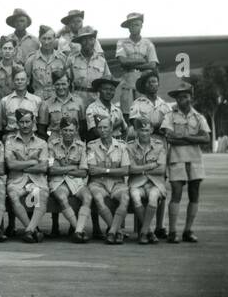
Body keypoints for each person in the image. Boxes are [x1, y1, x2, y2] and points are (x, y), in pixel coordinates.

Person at [161, 82, 209, 243]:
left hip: (195, 160)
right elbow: (170, 138)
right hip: (177, 159)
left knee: (194, 195)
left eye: (186, 96)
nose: (184, 99)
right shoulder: (170, 116)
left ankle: (188, 230)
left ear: (191, 97)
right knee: (176, 194)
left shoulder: (198, 117)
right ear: (176, 99)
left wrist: (185, 138)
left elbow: (206, 138)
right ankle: (173, 231)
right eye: (180, 97)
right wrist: (194, 139)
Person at [5, 109, 50, 243]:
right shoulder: (10, 141)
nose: (25, 125)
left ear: (33, 122)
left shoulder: (41, 143)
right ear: (17, 123)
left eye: (27, 122)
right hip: (17, 182)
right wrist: (32, 162)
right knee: (13, 196)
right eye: (21, 122)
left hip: (34, 183)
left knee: (41, 195)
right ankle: (34, 231)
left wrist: (21, 165)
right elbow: (10, 165)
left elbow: (43, 167)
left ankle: (29, 230)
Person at [86, 114, 131, 244]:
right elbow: (93, 171)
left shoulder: (122, 146)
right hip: (98, 183)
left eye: (105, 127)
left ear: (111, 128)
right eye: (100, 128)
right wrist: (113, 171)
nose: (103, 130)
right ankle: (118, 231)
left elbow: (125, 170)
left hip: (117, 184)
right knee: (99, 199)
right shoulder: (91, 146)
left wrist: (104, 170)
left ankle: (111, 232)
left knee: (125, 198)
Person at [46, 116, 91, 242]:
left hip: (77, 182)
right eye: (65, 130)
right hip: (58, 182)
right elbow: (51, 170)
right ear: (60, 131)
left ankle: (77, 231)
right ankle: (79, 230)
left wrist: (62, 168)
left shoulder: (81, 147)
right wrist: (72, 167)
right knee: (61, 197)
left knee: (88, 197)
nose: (68, 133)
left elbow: (83, 172)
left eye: (71, 130)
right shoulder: (52, 145)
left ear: (76, 130)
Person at [126, 113, 168, 244]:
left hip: (155, 183)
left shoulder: (159, 145)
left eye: (147, 130)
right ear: (136, 131)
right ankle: (149, 231)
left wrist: (141, 169)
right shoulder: (130, 146)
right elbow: (130, 169)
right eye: (141, 130)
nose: (144, 133)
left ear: (151, 130)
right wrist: (150, 166)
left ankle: (144, 232)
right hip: (136, 183)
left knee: (153, 197)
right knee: (135, 197)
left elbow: (161, 169)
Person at [68, 29, 110, 108]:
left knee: (97, 120)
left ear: (94, 41)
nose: (87, 42)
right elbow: (67, 81)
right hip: (77, 98)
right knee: (79, 120)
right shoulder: (72, 59)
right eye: (84, 39)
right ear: (80, 42)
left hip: (97, 99)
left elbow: (107, 79)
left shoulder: (101, 60)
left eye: (91, 39)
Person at [25, 25, 68, 101]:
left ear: (54, 39)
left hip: (58, 97)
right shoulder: (31, 59)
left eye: (49, 38)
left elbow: (67, 80)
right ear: (39, 39)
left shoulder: (62, 58)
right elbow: (26, 81)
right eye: (44, 38)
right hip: (38, 98)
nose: (46, 42)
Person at [38, 71, 82, 139]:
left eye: (63, 84)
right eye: (57, 84)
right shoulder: (46, 104)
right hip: (55, 143)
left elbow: (83, 127)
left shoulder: (79, 102)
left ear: (69, 83)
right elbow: (41, 130)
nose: (60, 87)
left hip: (75, 142)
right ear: (53, 85)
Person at [0, 69, 42, 134]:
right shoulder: (5, 101)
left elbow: (40, 122)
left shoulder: (37, 100)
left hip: (31, 137)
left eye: (22, 79)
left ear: (27, 81)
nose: (20, 82)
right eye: (17, 80)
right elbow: (4, 122)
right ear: (13, 82)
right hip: (12, 136)